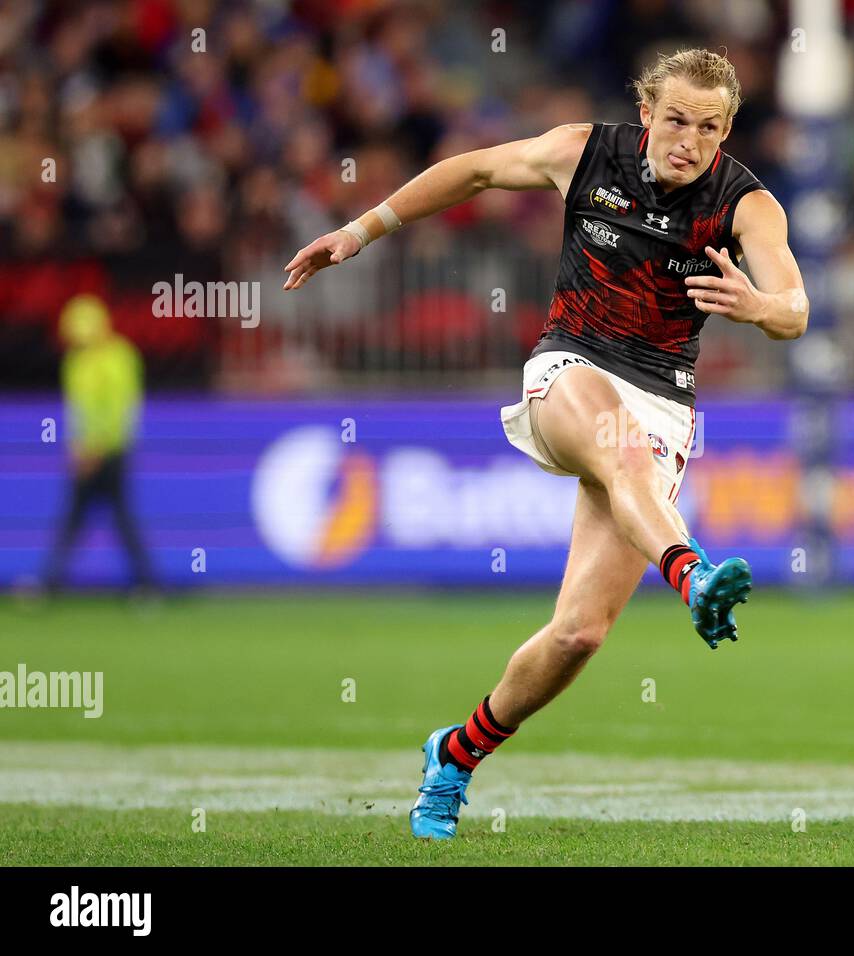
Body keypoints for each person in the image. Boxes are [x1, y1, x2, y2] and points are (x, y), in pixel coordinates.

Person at [283, 49, 808, 840]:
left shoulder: (747, 204)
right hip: (572, 367)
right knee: (614, 445)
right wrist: (359, 232)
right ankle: (693, 575)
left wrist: (757, 305)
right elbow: (472, 173)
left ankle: (455, 753)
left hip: (663, 400)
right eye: (675, 120)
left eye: (708, 127)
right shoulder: (583, 152)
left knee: (579, 634)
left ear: (726, 129)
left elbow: (796, 308)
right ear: (646, 115)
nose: (688, 140)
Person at [42, 294, 155, 594]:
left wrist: (95, 447)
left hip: (110, 451)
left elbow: (119, 408)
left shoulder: (117, 356)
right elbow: (80, 411)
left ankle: (146, 584)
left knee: (101, 516)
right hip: (87, 451)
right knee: (89, 516)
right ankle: (147, 585)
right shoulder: (76, 361)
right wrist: (77, 446)